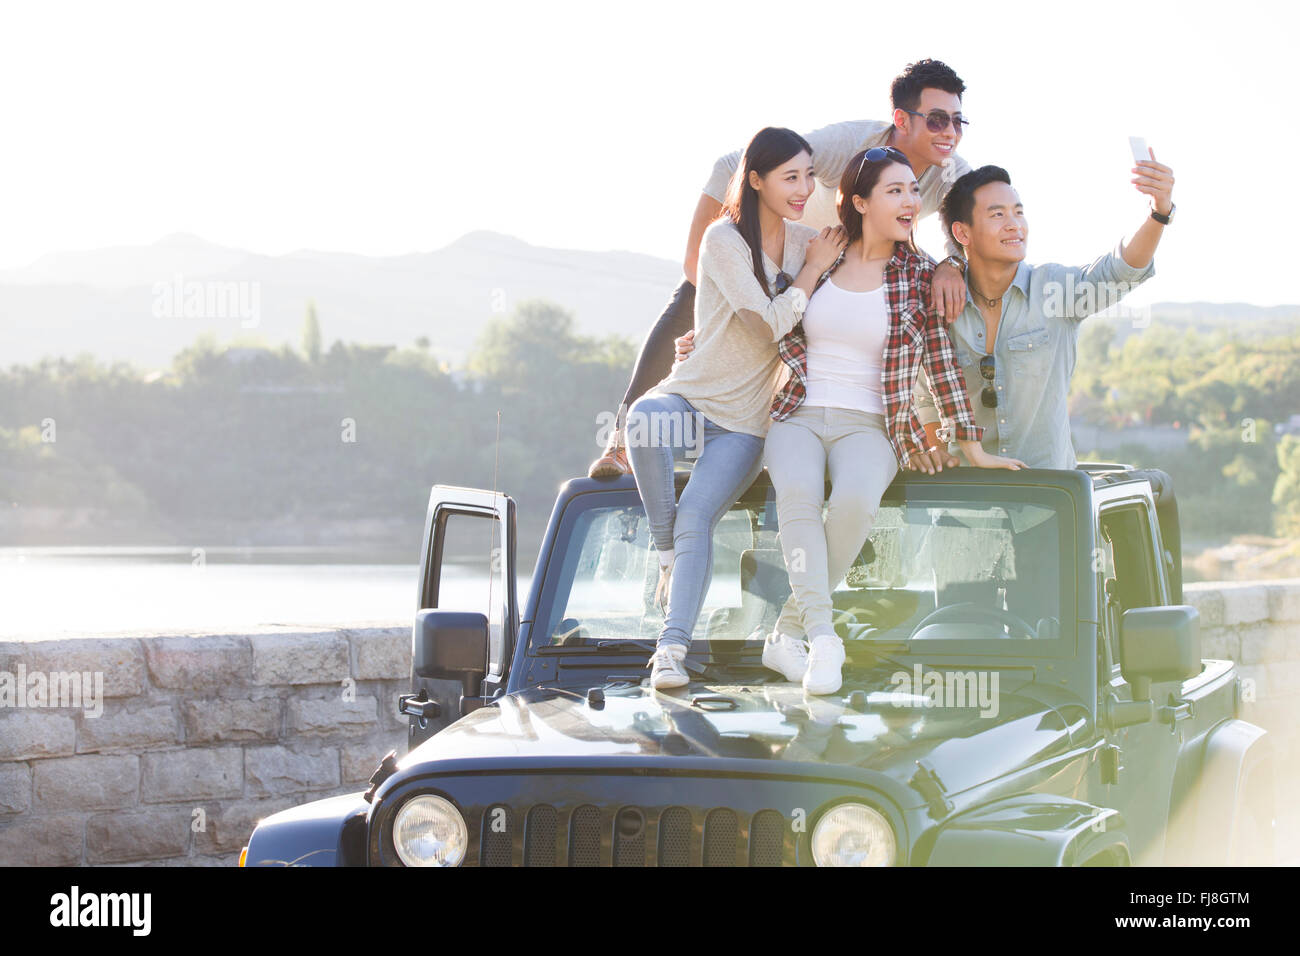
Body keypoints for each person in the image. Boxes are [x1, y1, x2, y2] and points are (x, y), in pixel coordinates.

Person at [592, 59, 975, 479]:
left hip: (821, 275)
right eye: (937, 121)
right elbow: (732, 165)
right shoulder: (848, 144)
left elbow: (973, 223)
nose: (949, 134)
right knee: (686, 302)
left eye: (958, 122)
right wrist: (719, 301)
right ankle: (619, 445)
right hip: (763, 257)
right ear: (901, 119)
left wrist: (952, 263)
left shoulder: (952, 173)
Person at [760, 147, 1025, 696]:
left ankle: (788, 630)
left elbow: (940, 362)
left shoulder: (923, 275)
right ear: (860, 202)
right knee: (799, 497)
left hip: (873, 423)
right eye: (895, 191)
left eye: (912, 190)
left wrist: (968, 443)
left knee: (856, 502)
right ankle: (824, 637)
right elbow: (766, 319)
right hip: (797, 413)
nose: (910, 200)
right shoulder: (818, 255)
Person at [626, 127, 847, 690]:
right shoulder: (723, 240)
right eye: (789, 178)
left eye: (808, 176)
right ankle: (665, 549)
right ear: (755, 181)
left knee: (699, 513)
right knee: (645, 419)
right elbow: (765, 322)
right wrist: (809, 275)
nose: (803, 189)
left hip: (747, 422)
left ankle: (670, 651)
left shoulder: (810, 241)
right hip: (693, 394)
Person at [909, 158, 1184, 598]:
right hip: (962, 513)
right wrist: (935, 451)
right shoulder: (941, 299)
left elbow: (1120, 270)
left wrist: (1159, 211)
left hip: (1047, 511)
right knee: (961, 638)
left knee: (1046, 637)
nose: (1014, 224)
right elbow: (923, 395)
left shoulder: (1054, 291)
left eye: (1018, 211)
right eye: (997, 214)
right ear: (963, 233)